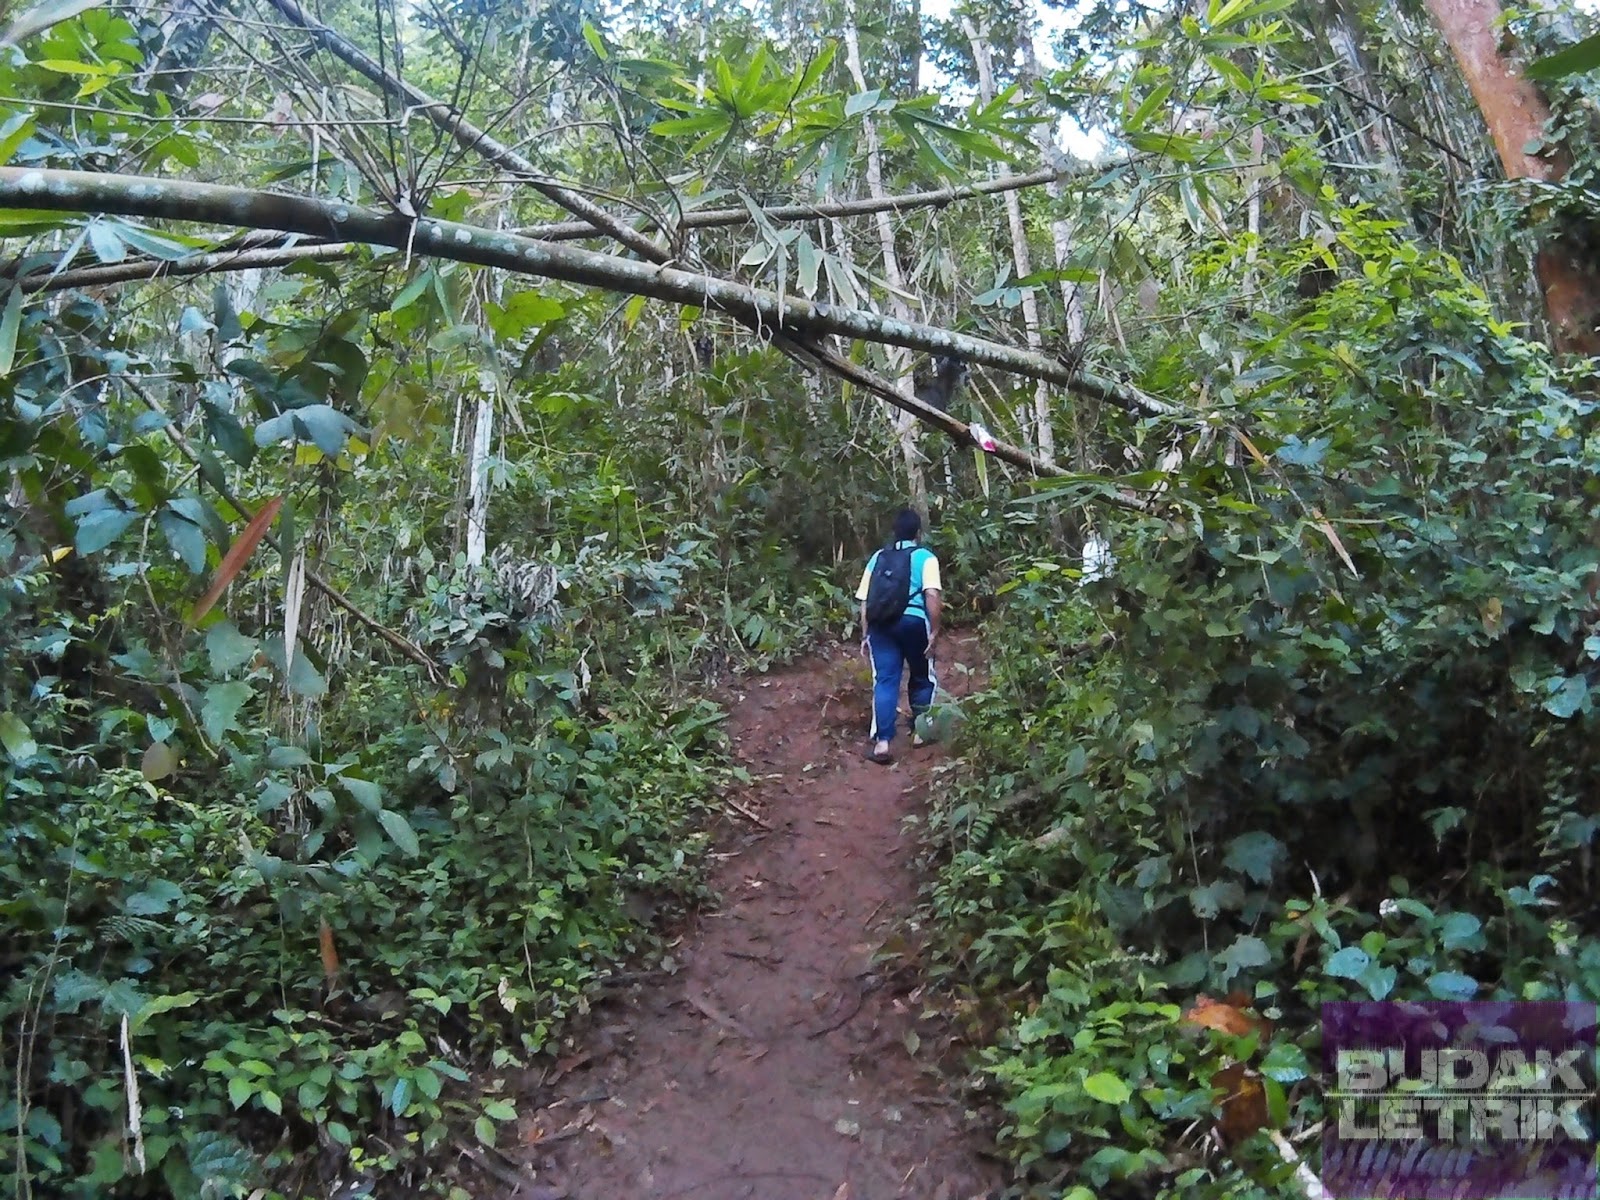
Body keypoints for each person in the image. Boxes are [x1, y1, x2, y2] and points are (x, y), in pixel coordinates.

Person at [855, 507, 943, 765]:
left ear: (894, 531)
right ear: (918, 532)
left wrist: (865, 634)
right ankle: (920, 733)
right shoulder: (925, 557)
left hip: (881, 625)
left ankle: (883, 743)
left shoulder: (878, 557)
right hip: (914, 622)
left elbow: (864, 600)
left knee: (884, 680)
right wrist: (935, 631)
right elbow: (932, 595)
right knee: (922, 676)